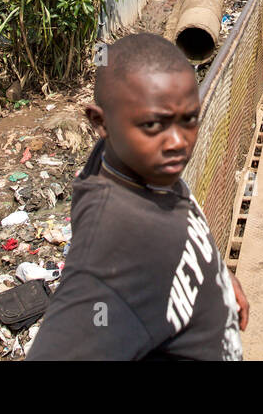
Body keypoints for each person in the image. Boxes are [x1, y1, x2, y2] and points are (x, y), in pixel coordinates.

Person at [26, 33, 247, 360]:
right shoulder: (117, 245)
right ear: (100, 122)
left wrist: (214, 272)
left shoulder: (137, 165)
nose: (178, 142)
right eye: (153, 124)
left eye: (188, 119)